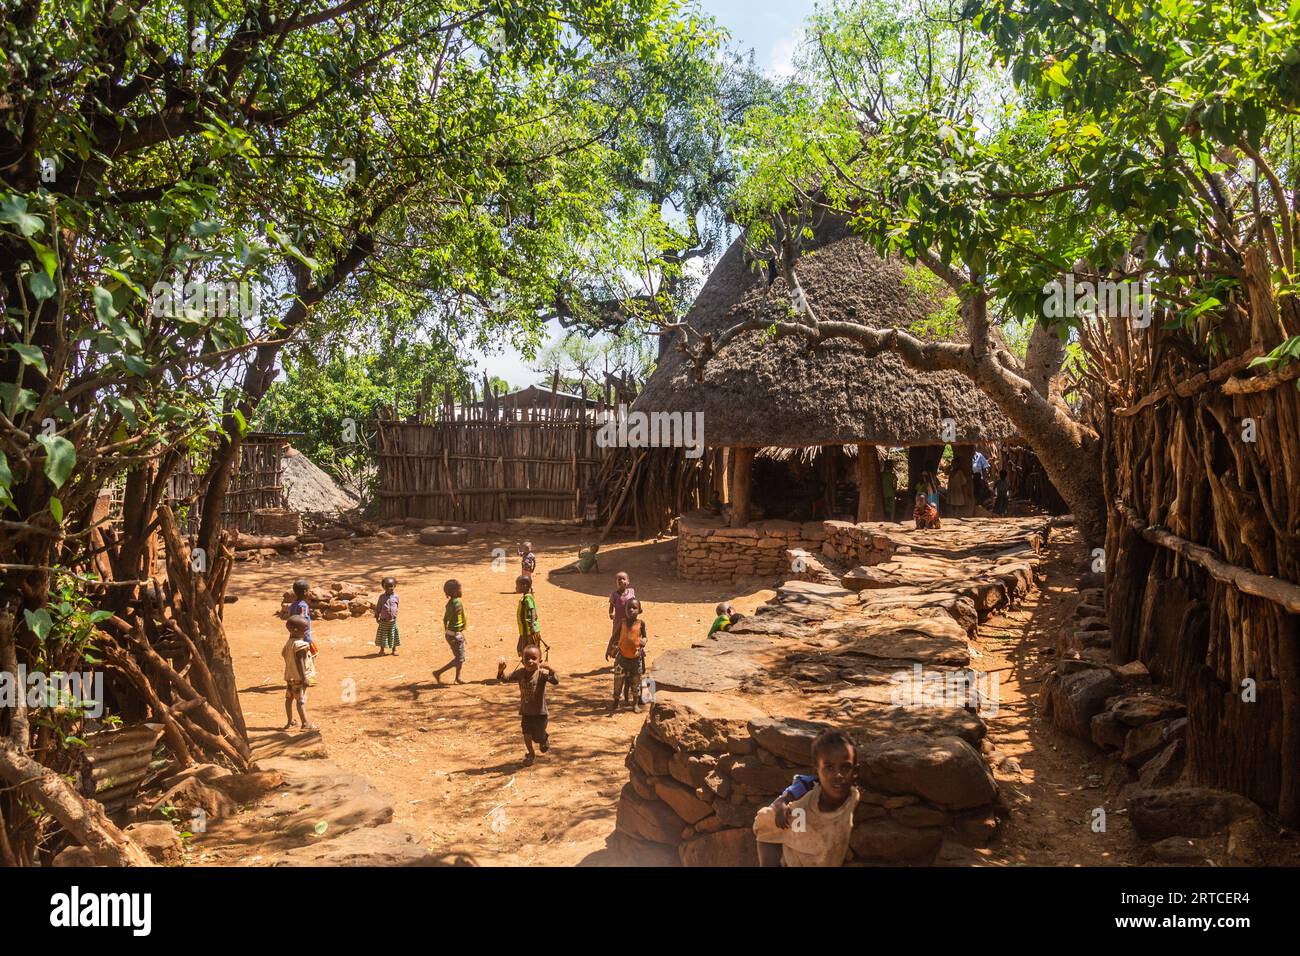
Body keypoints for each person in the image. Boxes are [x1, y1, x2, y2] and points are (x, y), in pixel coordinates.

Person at [753, 729, 860, 866]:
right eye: (829, 767)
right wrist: (781, 804)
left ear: (855, 772)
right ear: (816, 770)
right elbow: (763, 824)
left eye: (845, 768)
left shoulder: (853, 797)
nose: (838, 775)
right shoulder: (802, 809)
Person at [497, 646, 558, 766]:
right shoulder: (520, 673)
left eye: (534, 658)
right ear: (522, 661)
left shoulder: (542, 674)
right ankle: (531, 754)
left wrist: (551, 670)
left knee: (538, 737)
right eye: (527, 658)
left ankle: (543, 738)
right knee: (527, 735)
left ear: (540, 661)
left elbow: (556, 681)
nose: (530, 661)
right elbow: (505, 679)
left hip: (540, 713)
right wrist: (500, 671)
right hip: (526, 713)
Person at [606, 598, 647, 714]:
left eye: (634, 608)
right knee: (618, 680)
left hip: (636, 659)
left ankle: (635, 704)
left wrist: (644, 641)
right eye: (628, 608)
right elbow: (614, 637)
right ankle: (615, 702)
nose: (631, 610)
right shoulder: (622, 623)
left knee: (636, 680)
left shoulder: (641, 624)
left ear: (640, 610)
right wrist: (608, 649)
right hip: (621, 658)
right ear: (625, 610)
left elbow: (645, 636)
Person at [281, 615, 318, 731]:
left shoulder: (289, 643)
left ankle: (290, 721)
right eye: (305, 629)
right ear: (296, 630)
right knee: (300, 700)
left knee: (289, 699)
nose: (307, 631)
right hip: (299, 678)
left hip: (290, 677)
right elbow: (299, 662)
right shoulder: (300, 645)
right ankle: (305, 724)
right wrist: (304, 678)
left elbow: (284, 655)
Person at [434, 579, 467, 684]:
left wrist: (449, 631)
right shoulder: (456, 603)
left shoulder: (450, 603)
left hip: (453, 634)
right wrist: (455, 632)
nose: (461, 590)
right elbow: (458, 618)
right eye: (459, 589)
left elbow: (445, 619)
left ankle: (457, 678)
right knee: (459, 659)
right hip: (455, 635)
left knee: (460, 657)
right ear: (454, 592)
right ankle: (438, 672)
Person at [605, 571, 637, 659]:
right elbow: (611, 606)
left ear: (628, 581)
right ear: (616, 583)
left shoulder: (631, 592)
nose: (621, 581)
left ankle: (631, 655)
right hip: (618, 620)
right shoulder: (614, 595)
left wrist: (637, 611)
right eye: (619, 579)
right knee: (616, 637)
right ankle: (615, 655)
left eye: (623, 579)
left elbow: (635, 604)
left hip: (629, 619)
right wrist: (611, 613)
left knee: (630, 636)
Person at [287, 579, 317, 653]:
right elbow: (303, 624)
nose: (310, 592)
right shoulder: (303, 606)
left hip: (293, 635)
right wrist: (308, 639)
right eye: (309, 590)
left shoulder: (292, 605)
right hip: (303, 637)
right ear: (305, 592)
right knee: (307, 656)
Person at [516, 574, 542, 657]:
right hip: (525, 630)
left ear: (524, 586)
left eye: (517, 586)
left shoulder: (528, 598)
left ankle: (534, 663)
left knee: (531, 648)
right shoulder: (525, 597)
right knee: (524, 647)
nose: (516, 588)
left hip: (530, 630)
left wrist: (532, 625)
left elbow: (532, 610)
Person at [373, 576, 400, 655]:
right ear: (383, 587)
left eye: (391, 586)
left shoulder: (396, 597)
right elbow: (378, 607)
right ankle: (382, 650)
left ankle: (394, 650)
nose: (389, 588)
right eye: (387, 587)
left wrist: (394, 615)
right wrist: (377, 616)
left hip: (392, 621)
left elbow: (397, 606)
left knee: (393, 635)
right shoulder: (381, 597)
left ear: (395, 586)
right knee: (383, 636)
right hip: (383, 620)